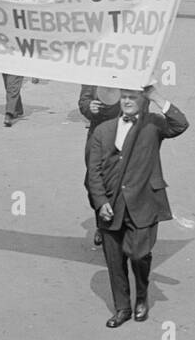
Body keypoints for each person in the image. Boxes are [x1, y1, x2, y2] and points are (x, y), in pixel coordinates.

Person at [85, 85, 188, 327]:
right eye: (125, 97)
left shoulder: (152, 125)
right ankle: (122, 308)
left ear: (143, 101)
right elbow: (94, 171)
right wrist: (100, 203)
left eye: (133, 97)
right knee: (114, 260)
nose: (128, 101)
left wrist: (156, 96)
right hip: (111, 204)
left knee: (139, 254)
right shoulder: (103, 130)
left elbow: (180, 124)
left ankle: (141, 295)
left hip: (143, 203)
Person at [77, 84, 121, 250]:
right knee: (94, 181)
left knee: (122, 180)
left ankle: (121, 225)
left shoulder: (130, 70)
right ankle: (102, 224)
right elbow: (83, 101)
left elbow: (142, 100)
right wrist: (90, 108)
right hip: (99, 135)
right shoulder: (95, 73)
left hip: (124, 132)